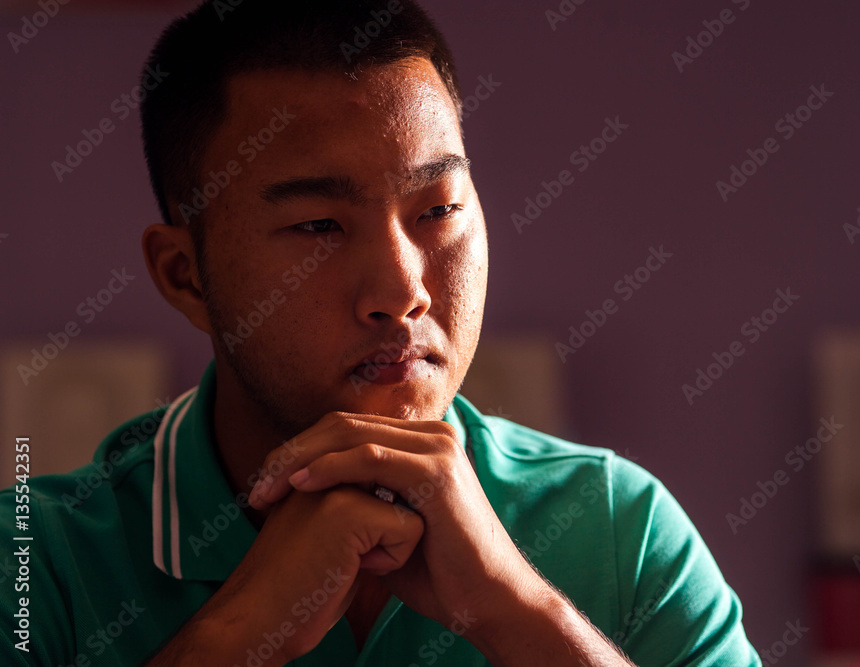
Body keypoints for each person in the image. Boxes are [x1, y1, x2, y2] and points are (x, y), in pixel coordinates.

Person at [0, 1, 761, 664]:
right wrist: (239, 631)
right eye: (319, 225)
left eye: (438, 210)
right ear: (184, 276)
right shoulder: (38, 561)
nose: (403, 292)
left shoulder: (618, 526)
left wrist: (516, 610)